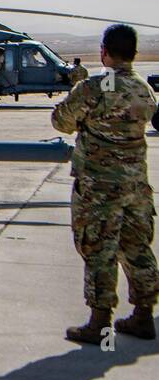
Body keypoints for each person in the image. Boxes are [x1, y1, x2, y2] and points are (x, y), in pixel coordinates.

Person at [53, 24, 159, 343]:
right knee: (137, 247)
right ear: (134, 53)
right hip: (136, 186)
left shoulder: (96, 86)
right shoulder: (144, 88)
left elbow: (61, 121)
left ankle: (100, 322)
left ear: (105, 51)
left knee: (99, 249)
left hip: (100, 188)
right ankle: (143, 315)